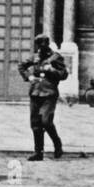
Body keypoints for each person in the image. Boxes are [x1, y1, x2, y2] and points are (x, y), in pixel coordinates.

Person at [18, 33, 68, 161]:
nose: (41, 47)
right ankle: (38, 152)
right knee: (35, 123)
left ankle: (57, 143)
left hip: (49, 93)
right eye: (39, 44)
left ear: (48, 43)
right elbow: (21, 66)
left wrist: (51, 70)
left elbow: (64, 74)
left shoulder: (56, 57)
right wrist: (29, 77)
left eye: (43, 44)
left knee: (46, 121)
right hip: (35, 93)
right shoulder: (34, 57)